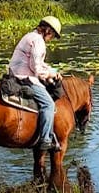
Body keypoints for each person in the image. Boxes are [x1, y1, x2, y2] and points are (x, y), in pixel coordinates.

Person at [9, 16, 63, 150]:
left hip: (15, 74)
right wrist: (51, 74)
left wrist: (51, 70)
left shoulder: (29, 36)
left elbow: (37, 63)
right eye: (53, 35)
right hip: (24, 77)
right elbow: (37, 68)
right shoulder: (38, 41)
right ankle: (45, 139)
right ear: (48, 30)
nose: (51, 39)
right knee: (48, 104)